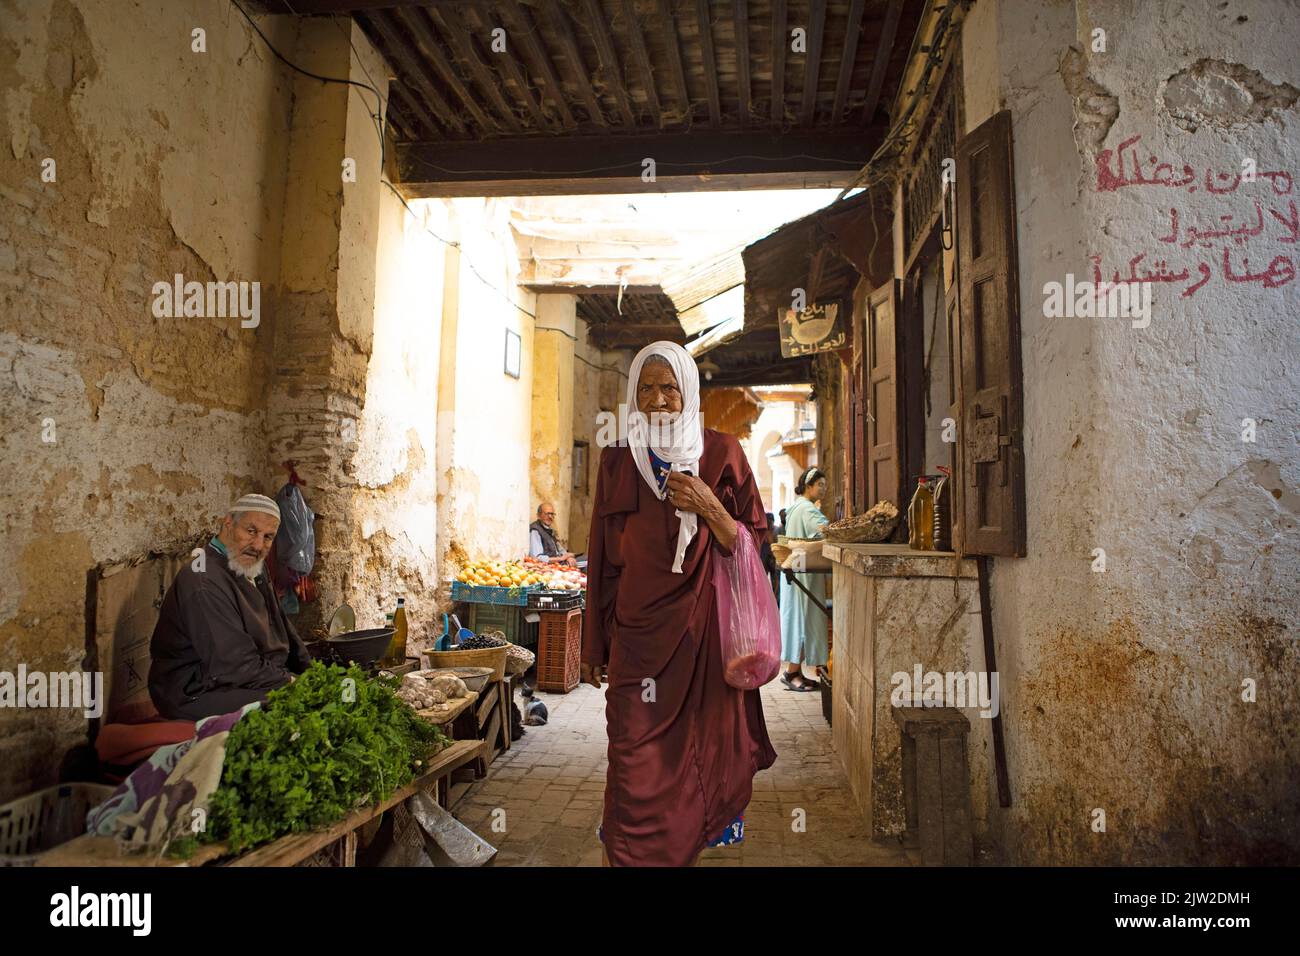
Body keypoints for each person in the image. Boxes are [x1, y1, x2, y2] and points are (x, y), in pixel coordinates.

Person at [581, 341, 777, 867]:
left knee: (693, 767)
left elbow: (753, 546)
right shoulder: (618, 460)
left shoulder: (723, 454)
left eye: (669, 387)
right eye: (646, 389)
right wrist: (595, 645)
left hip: (702, 644)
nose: (659, 400)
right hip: (636, 642)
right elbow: (602, 557)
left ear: (688, 390)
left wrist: (711, 507)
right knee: (631, 761)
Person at [149, 494, 314, 720]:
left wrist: (311, 672)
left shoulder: (253, 565)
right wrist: (291, 683)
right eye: (251, 531)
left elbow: (281, 626)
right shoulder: (203, 580)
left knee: (312, 694)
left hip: (242, 674)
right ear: (228, 524)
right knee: (296, 706)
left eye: (268, 537)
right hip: (196, 689)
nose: (257, 545)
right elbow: (233, 665)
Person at [779, 468, 830, 692]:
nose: (824, 489)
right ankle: (791, 673)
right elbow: (825, 532)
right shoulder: (808, 509)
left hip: (796, 568)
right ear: (809, 485)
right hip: (804, 573)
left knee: (798, 619)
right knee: (803, 620)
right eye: (820, 484)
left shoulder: (796, 506)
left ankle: (795, 671)